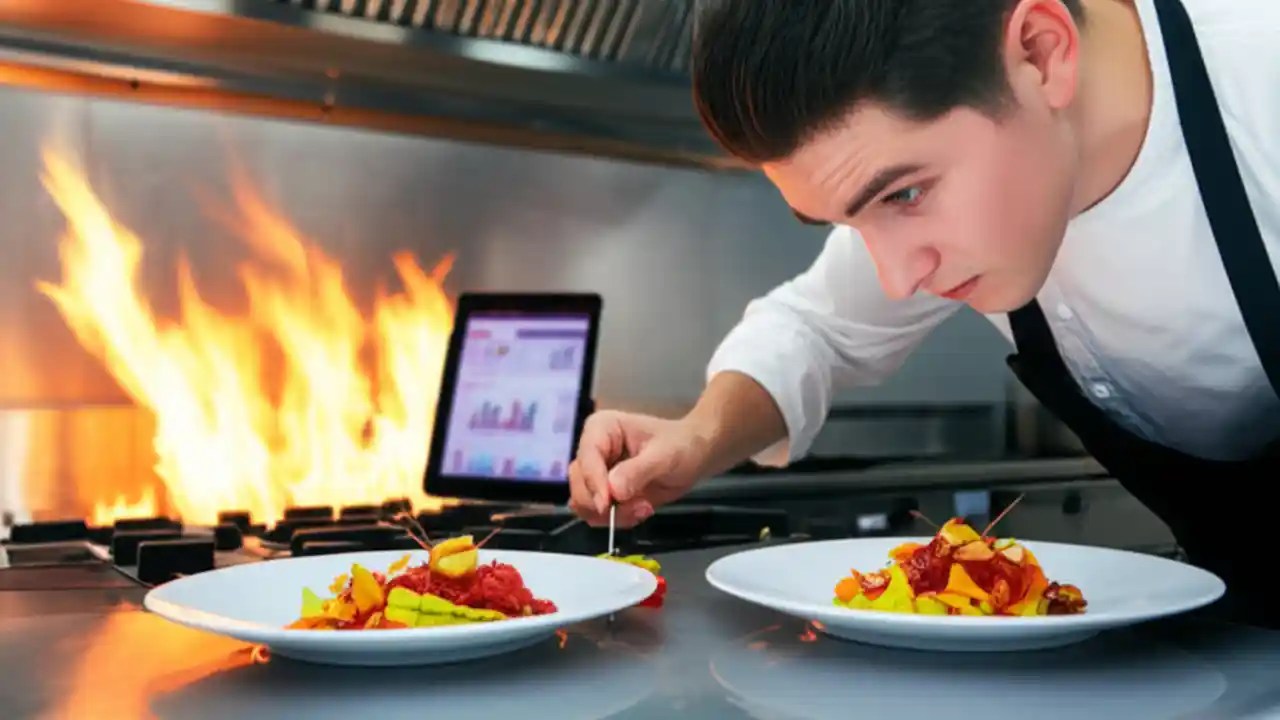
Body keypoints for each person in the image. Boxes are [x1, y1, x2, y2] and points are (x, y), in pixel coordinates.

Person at [567, 0, 1280, 625]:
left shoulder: (1262, 83)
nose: (896, 278)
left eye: (905, 196)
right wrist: (696, 438)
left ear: (1041, 50)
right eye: (847, 223)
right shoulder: (943, 151)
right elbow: (815, 328)